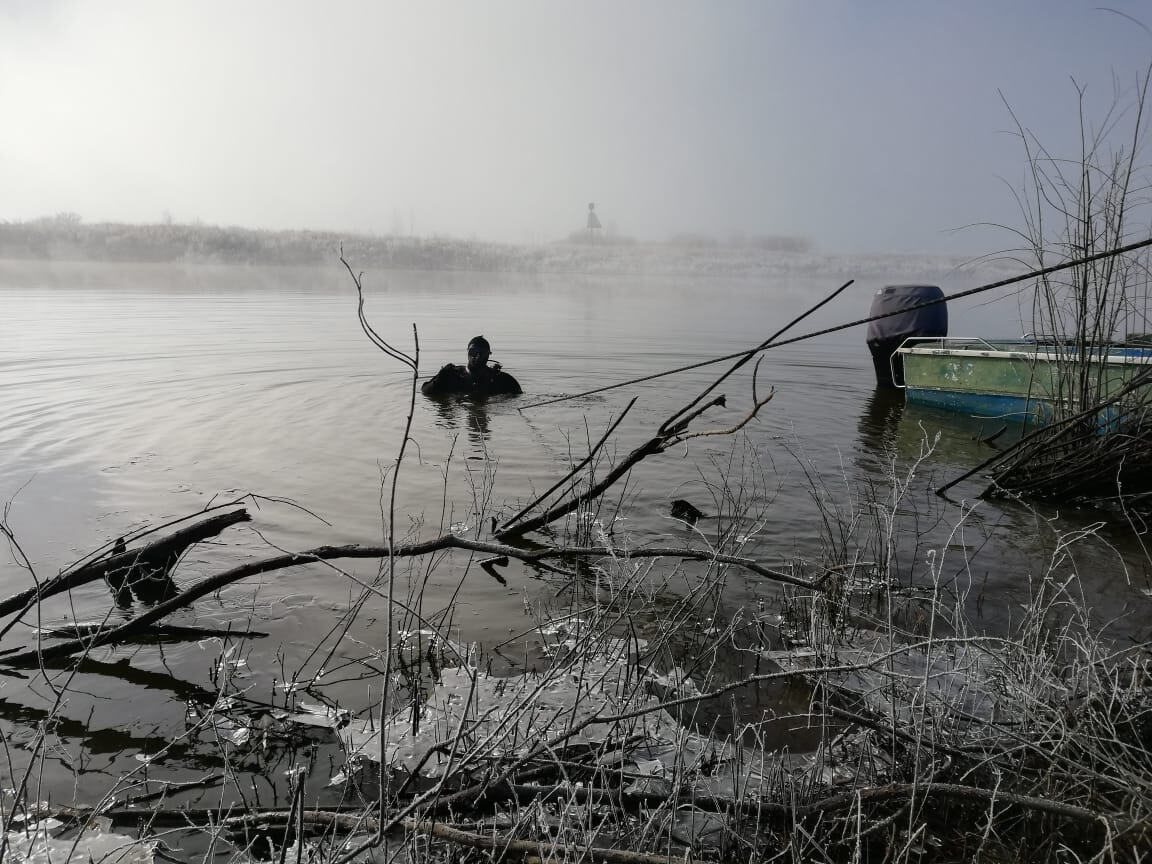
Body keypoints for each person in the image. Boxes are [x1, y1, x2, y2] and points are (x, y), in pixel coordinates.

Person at [421, 335, 522, 397]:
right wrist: (440, 377)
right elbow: (425, 392)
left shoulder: (500, 379)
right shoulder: (452, 374)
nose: (477, 356)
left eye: (482, 353)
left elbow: (518, 396)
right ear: (467, 352)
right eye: (473, 352)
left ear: (488, 354)